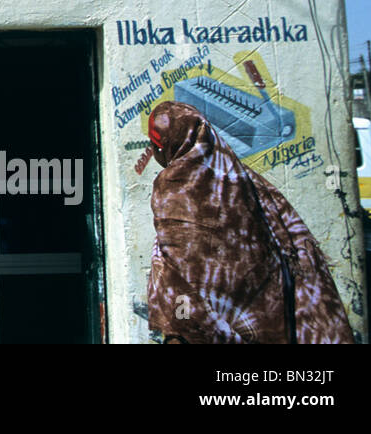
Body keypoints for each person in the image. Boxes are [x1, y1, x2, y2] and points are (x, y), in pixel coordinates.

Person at [145, 100, 353, 343]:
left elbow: (177, 272)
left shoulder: (173, 186)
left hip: (203, 328)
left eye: (154, 145)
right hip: (266, 318)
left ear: (163, 147)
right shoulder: (244, 178)